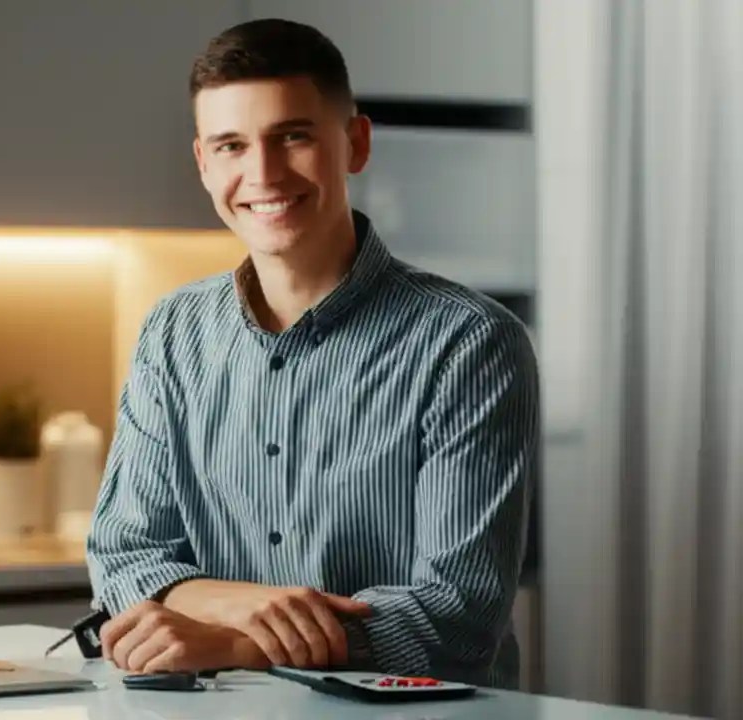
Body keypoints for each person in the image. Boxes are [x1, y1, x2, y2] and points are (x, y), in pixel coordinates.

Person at [85, 18, 539, 689]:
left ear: (354, 144)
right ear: (204, 163)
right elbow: (123, 560)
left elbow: (458, 620)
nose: (262, 174)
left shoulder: (469, 344)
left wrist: (236, 641)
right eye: (232, 145)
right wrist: (259, 606)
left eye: (292, 136)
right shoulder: (171, 334)